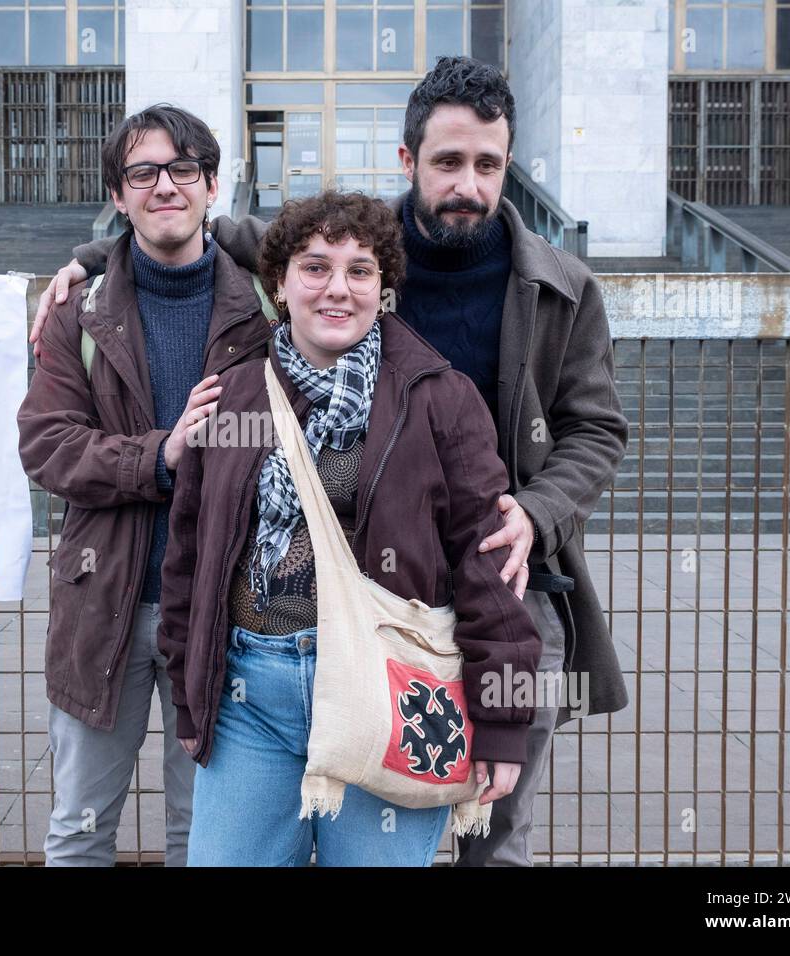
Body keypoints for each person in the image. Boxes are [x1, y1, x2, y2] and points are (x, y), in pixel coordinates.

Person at [32, 57, 630, 867]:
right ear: (408, 161)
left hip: (467, 594)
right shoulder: (264, 371)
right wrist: (95, 258)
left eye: (488, 165)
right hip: (278, 656)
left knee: (493, 837)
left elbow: (595, 432)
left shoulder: (547, 300)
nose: (467, 183)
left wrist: (537, 511)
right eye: (448, 161)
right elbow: (200, 229)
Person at [157, 189, 541, 866]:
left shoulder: (437, 398)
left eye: (360, 270)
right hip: (252, 697)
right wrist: (191, 702)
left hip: (390, 691)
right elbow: (191, 554)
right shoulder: (235, 393)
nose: (337, 289)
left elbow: (488, 567)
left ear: (384, 287)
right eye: (315, 267)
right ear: (280, 282)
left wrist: (503, 722)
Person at [16, 104, 276, 865]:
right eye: (142, 173)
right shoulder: (81, 310)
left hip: (225, 606)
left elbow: (339, 251)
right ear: (119, 194)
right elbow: (47, 445)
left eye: (182, 169)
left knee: (204, 831)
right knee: (80, 827)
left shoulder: (264, 299)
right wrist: (161, 456)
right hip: (107, 604)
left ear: (213, 184)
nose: (165, 186)